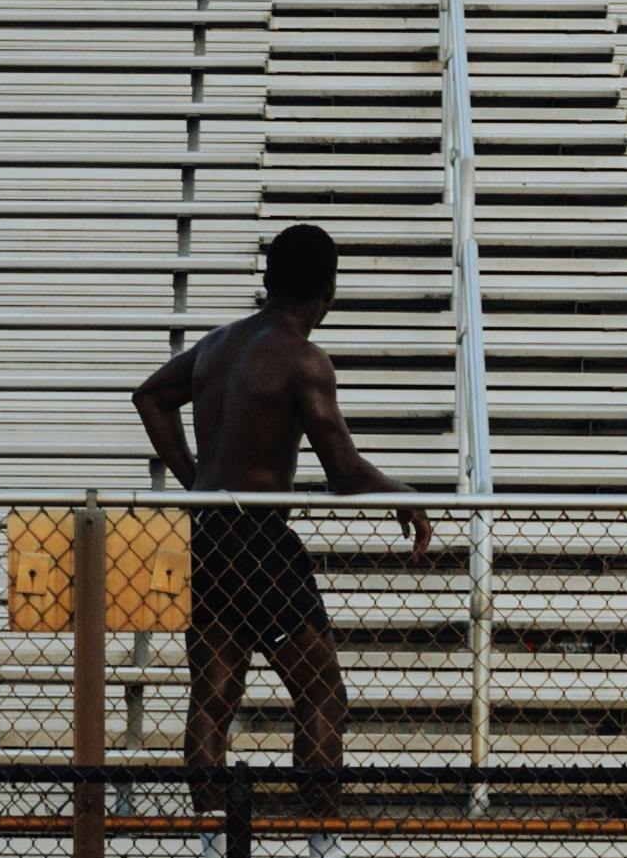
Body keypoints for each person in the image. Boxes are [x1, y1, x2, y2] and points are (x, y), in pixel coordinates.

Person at [131, 222, 433, 809]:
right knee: (322, 692)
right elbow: (344, 474)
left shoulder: (218, 345)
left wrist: (199, 480)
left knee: (213, 695)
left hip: (207, 532)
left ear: (268, 281)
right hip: (259, 539)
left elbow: (151, 396)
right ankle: (317, 833)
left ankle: (210, 837)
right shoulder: (302, 358)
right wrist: (402, 489)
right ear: (330, 290)